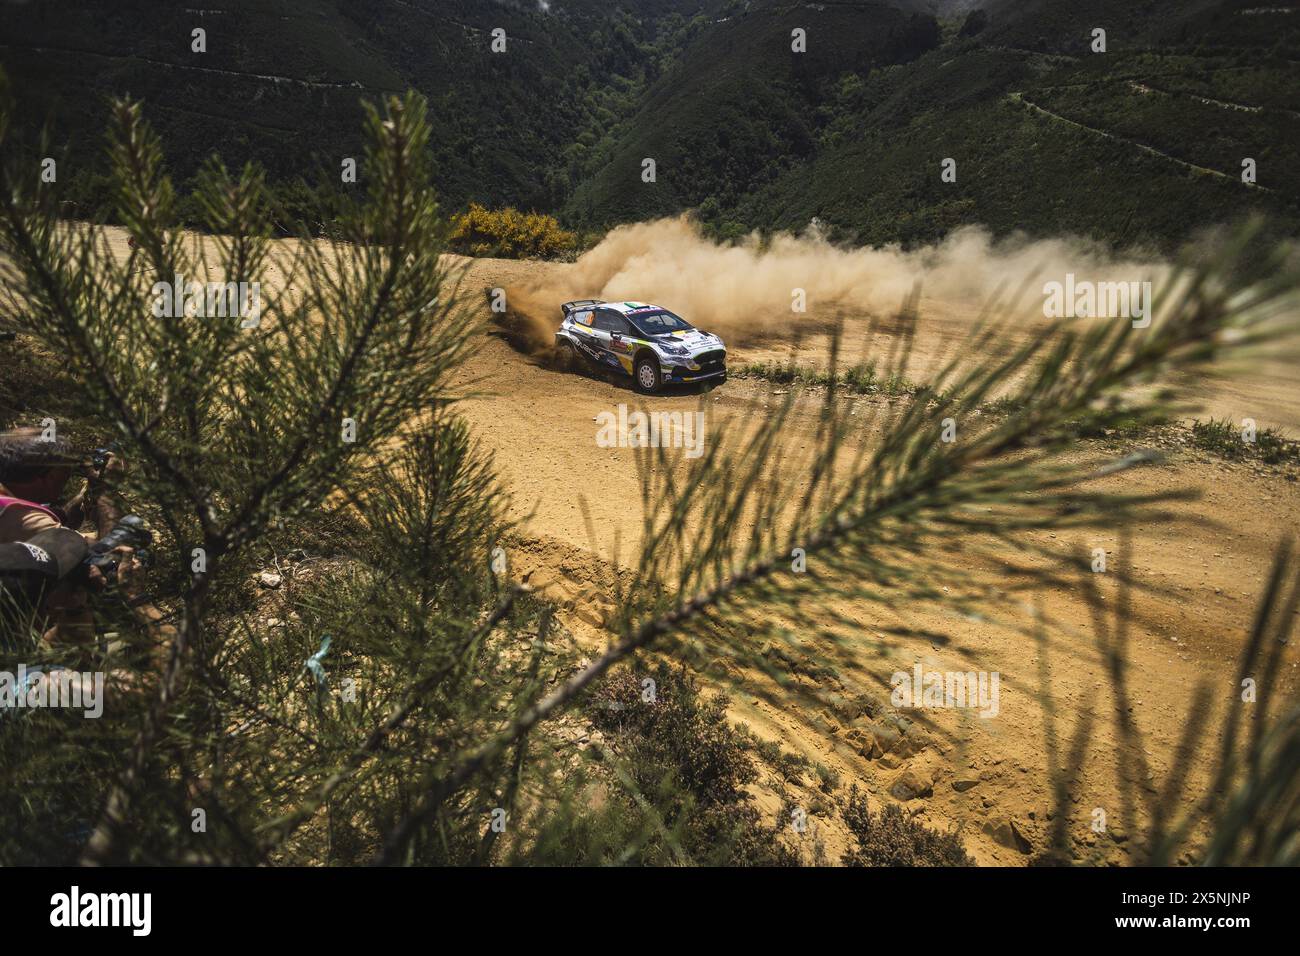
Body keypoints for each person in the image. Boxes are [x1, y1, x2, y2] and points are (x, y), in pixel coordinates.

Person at [0, 428, 123, 544]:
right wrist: (107, 491)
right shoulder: (23, 520)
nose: (68, 474)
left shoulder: (8, 501)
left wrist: (88, 490)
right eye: (65, 469)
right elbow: (107, 556)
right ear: (51, 476)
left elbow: (59, 518)